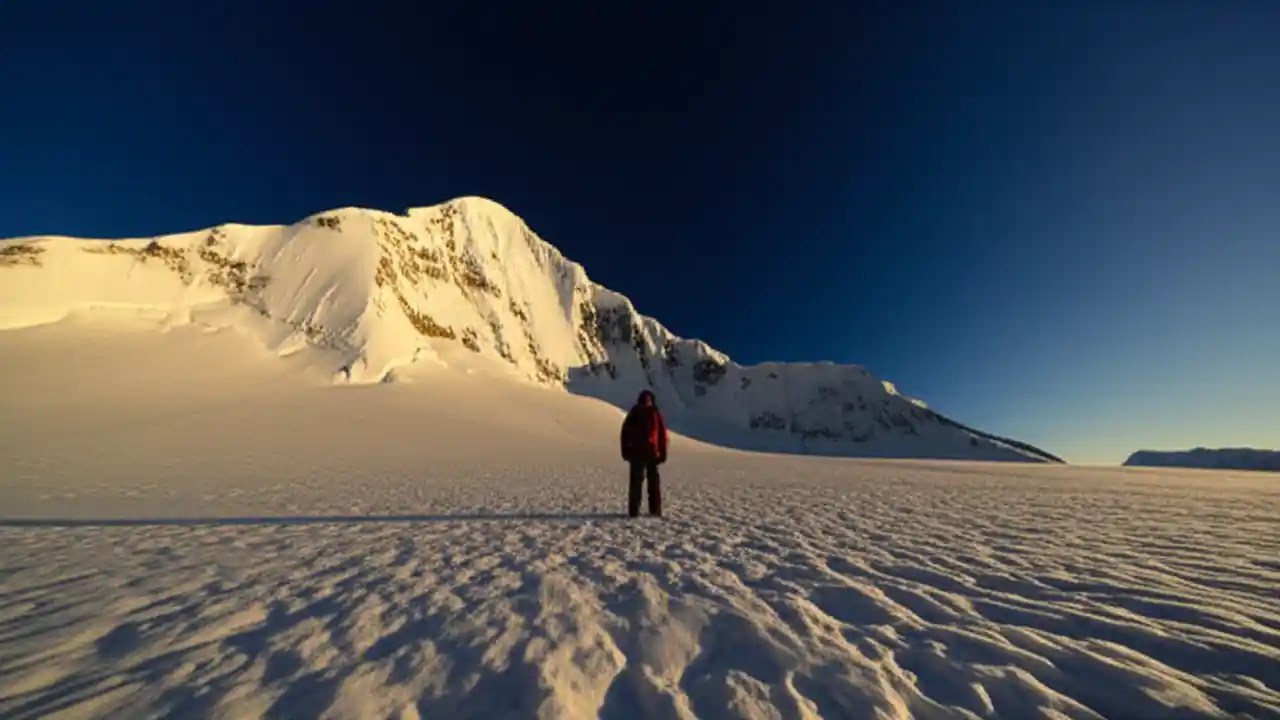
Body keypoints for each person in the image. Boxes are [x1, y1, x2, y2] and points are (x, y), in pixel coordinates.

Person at [619, 389, 668, 518]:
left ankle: (655, 510)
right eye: (645, 399)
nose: (647, 402)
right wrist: (626, 451)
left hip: (652, 453)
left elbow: (662, 435)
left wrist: (663, 453)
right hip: (637, 453)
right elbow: (625, 434)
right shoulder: (635, 413)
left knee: (653, 484)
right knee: (636, 483)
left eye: (649, 399)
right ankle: (634, 511)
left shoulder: (655, 414)